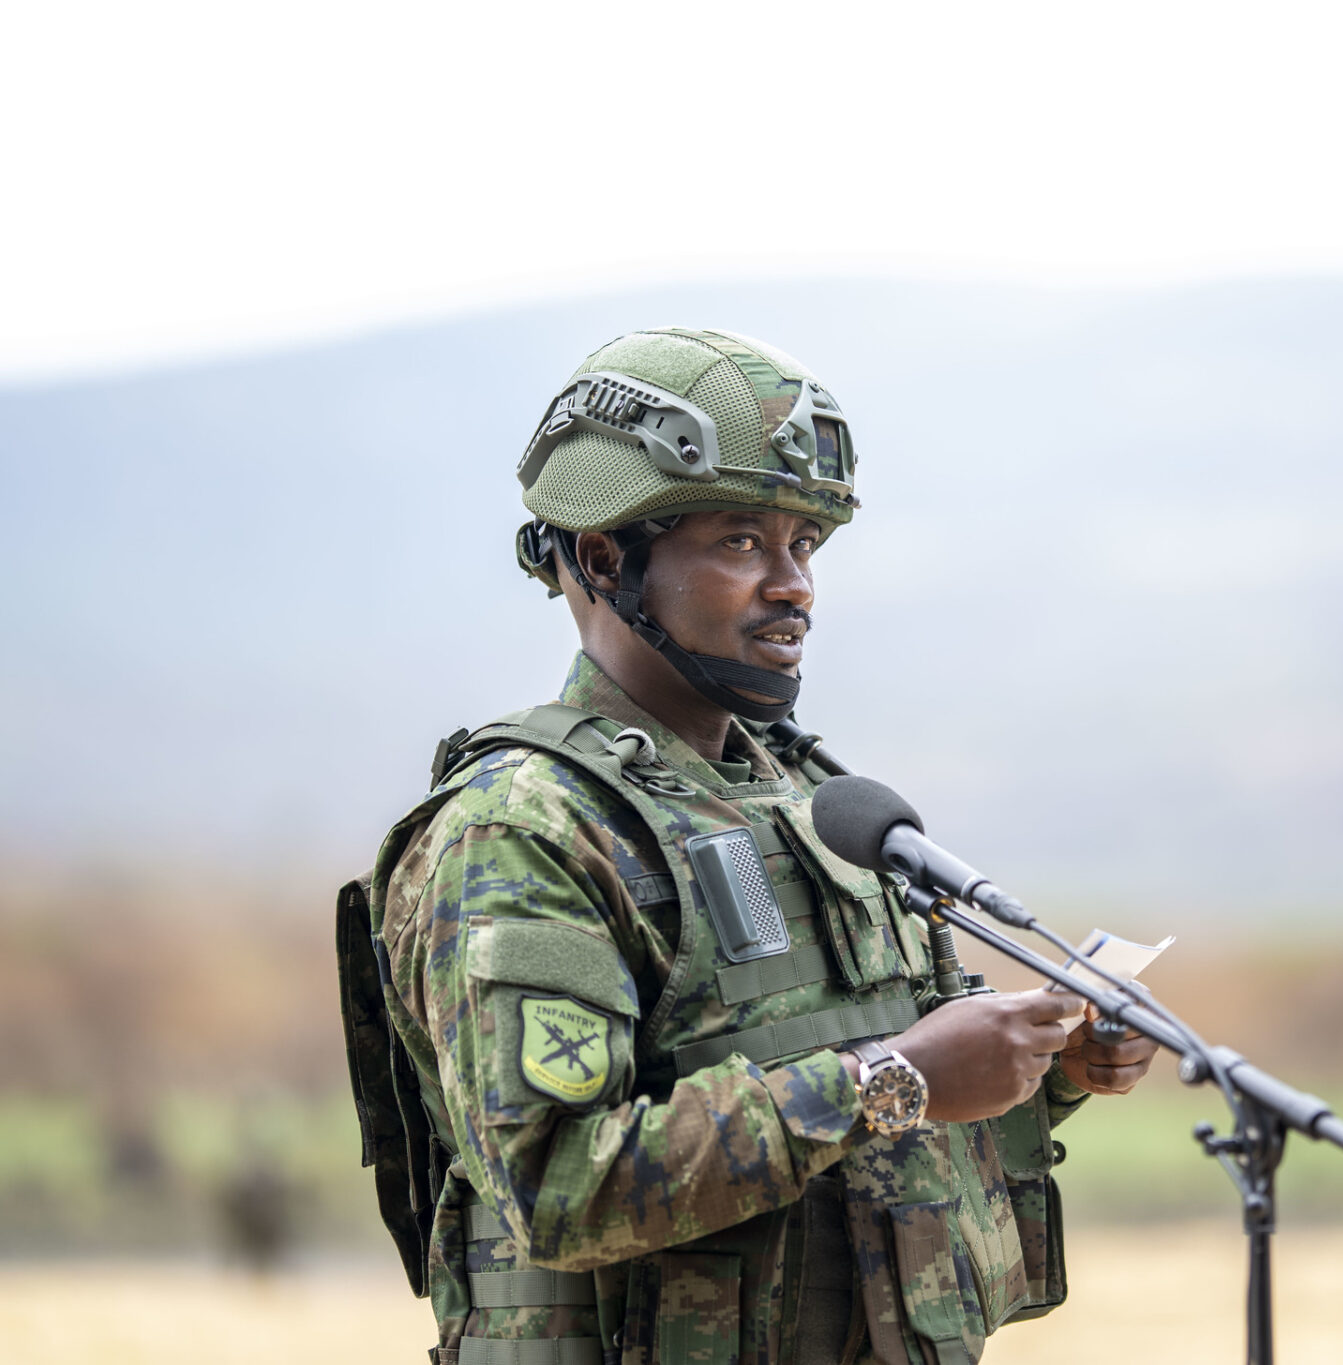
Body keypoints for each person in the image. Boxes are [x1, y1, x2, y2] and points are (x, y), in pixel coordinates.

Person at [338, 327, 1158, 1365]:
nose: (793, 585)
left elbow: (872, 1138)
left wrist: (1046, 1066)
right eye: (739, 542)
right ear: (603, 558)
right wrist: (893, 1076)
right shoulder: (522, 828)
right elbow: (559, 1185)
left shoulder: (812, 799)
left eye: (803, 545)